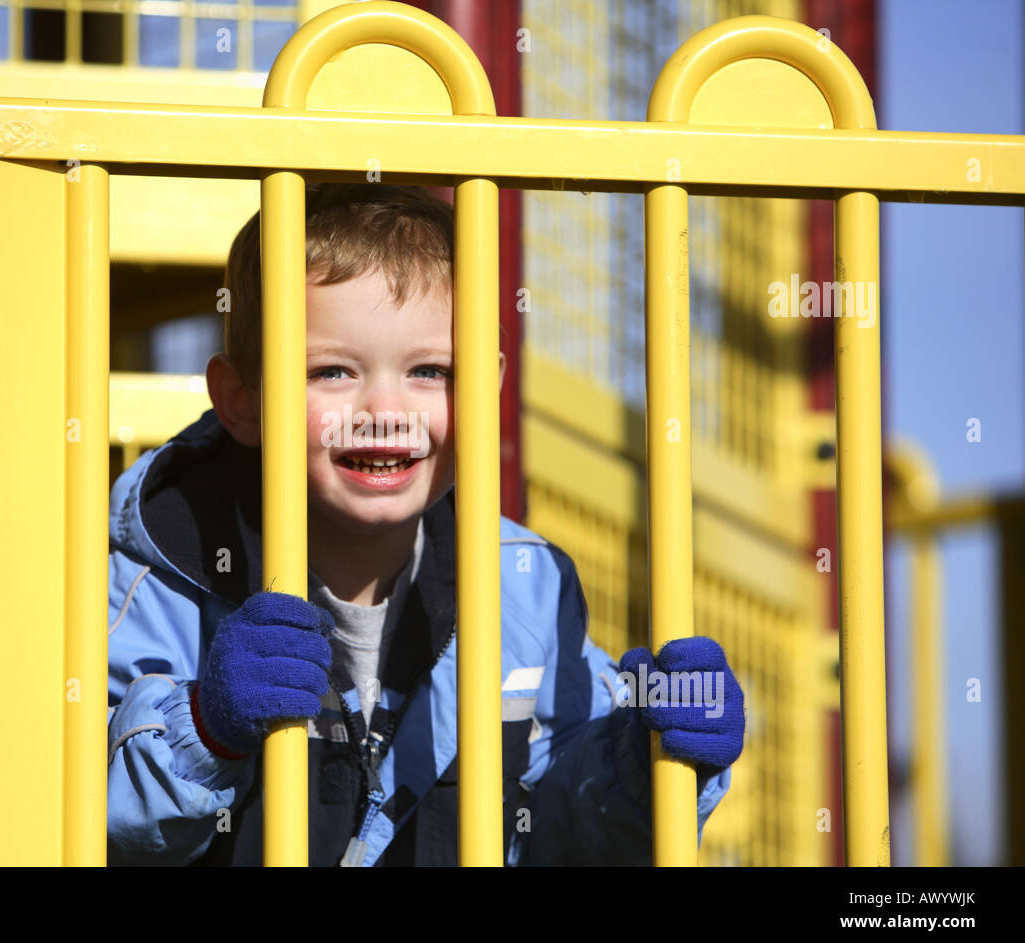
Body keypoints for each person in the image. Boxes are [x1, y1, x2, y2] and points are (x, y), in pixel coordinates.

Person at [106, 182, 744, 866]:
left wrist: (648, 760)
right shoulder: (162, 577)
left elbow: (558, 827)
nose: (386, 411)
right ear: (243, 401)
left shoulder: (521, 586)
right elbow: (76, 814)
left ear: (486, 390)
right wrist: (205, 730)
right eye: (333, 371)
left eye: (430, 371)